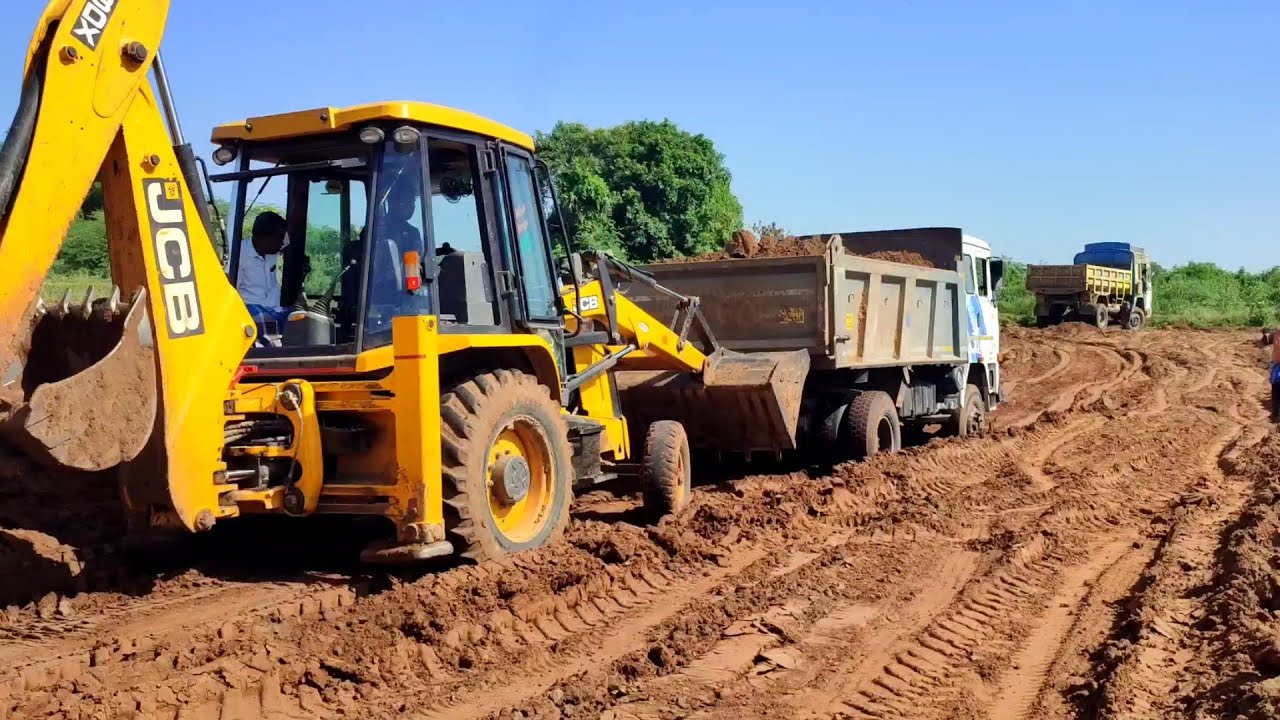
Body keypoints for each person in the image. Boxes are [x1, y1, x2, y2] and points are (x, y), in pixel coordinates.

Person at [236, 211, 291, 334]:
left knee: (305, 320)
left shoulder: (273, 250)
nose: (283, 243)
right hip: (252, 311)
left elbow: (288, 241)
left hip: (275, 310)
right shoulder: (239, 256)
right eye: (280, 237)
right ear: (263, 238)